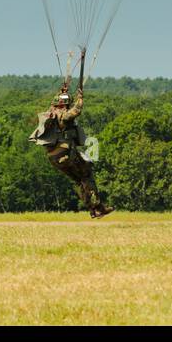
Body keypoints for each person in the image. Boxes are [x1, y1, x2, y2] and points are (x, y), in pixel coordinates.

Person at [29, 48, 113, 218]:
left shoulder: (50, 113)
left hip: (54, 158)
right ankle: (97, 207)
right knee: (87, 173)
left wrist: (67, 83)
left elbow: (64, 98)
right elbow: (76, 111)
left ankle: (93, 209)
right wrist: (80, 99)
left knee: (79, 179)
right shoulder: (62, 116)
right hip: (66, 153)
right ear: (64, 105)